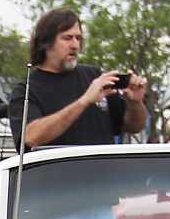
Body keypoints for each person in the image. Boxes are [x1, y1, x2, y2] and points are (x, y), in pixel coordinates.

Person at [12, 8, 148, 148]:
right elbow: (30, 137)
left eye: (78, 38)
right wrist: (84, 101)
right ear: (46, 42)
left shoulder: (94, 76)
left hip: (103, 168)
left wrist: (135, 103)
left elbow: (133, 126)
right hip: (55, 169)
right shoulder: (27, 89)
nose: (75, 45)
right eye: (67, 38)